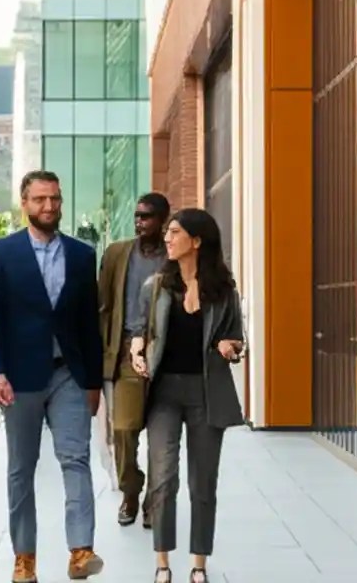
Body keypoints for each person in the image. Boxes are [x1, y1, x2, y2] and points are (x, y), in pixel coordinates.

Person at [0, 171, 104, 583]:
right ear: (25, 203)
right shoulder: (0, 254)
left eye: (55, 199)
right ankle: (24, 557)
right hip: (18, 378)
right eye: (40, 199)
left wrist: (94, 381)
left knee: (76, 459)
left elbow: (89, 323)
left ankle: (81, 551)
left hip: (69, 374)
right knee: (21, 468)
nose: (49, 207)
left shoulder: (83, 256)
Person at [129, 209, 245, 583]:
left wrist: (231, 346)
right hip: (164, 392)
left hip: (207, 392)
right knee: (162, 478)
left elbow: (237, 338)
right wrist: (136, 352)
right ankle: (162, 564)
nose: (167, 238)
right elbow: (138, 330)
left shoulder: (224, 292)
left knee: (203, 482)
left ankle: (199, 565)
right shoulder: (157, 286)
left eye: (175, 232)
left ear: (196, 241)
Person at [97, 192, 170, 527]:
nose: (141, 222)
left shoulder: (175, 255)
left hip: (168, 354)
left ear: (163, 219)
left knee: (162, 433)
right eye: (137, 215)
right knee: (124, 428)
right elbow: (102, 306)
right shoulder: (116, 254)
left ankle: (155, 499)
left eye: (148, 216)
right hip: (128, 352)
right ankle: (130, 489)